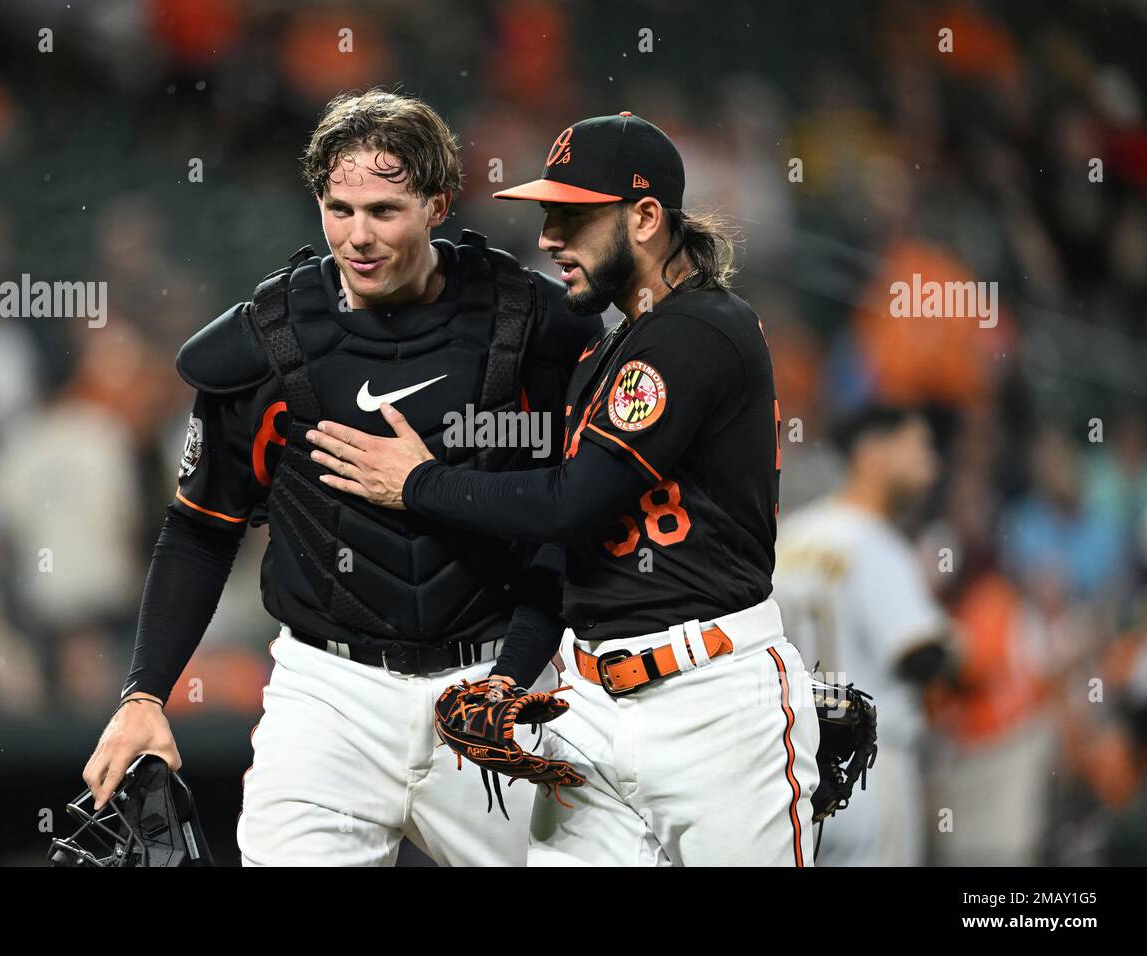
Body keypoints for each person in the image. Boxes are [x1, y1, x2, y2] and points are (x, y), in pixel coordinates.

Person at [81, 89, 602, 866]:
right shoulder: (267, 342)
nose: (358, 236)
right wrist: (145, 693)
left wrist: (528, 668)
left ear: (437, 203)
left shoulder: (531, 327)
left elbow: (575, 519)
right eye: (338, 208)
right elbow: (200, 528)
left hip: (497, 679)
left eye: (384, 211)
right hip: (329, 695)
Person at [308, 112, 820, 866]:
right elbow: (561, 547)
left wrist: (418, 483)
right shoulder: (606, 353)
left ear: (646, 218)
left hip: (712, 703)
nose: (549, 237)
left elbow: (572, 499)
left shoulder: (700, 329)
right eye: (547, 213)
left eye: (573, 216)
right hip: (590, 704)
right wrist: (508, 680)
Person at [772, 404, 956, 865]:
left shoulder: (789, 536)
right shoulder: (875, 541)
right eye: (918, 446)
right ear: (873, 453)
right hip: (870, 766)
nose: (931, 466)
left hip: (791, 763)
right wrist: (959, 643)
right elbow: (921, 656)